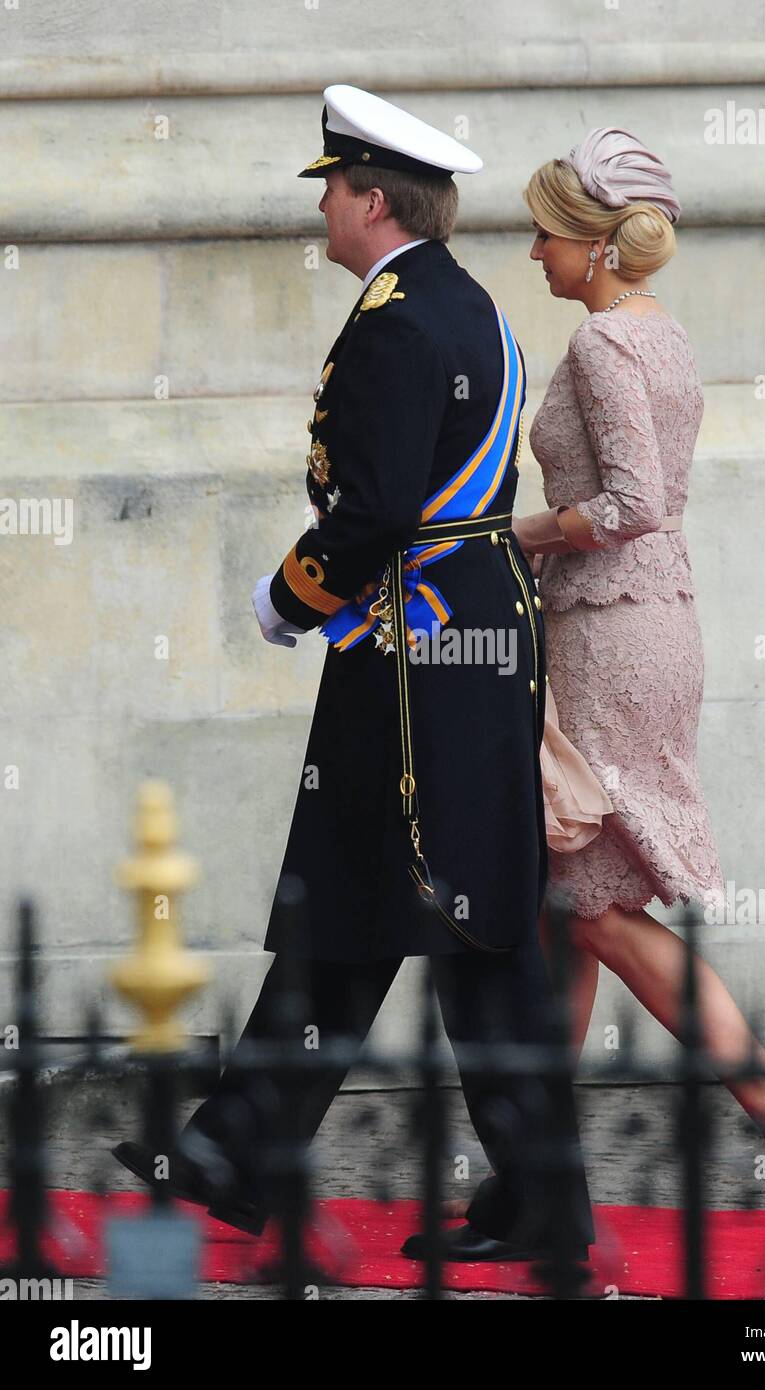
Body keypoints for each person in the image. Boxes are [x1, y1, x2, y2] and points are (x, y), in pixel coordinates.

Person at [113, 85, 594, 1263]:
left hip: (409, 647)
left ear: (373, 200)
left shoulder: (394, 320)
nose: (322, 205)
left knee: (433, 911)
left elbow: (372, 507)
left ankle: (518, 1195)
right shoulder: (466, 304)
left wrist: (284, 597)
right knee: (399, 906)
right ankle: (243, 1147)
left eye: (331, 185)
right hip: (462, 634)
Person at [513, 128, 765, 1225]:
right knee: (567, 901)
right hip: (639, 624)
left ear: (592, 244)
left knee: (592, 911)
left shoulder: (606, 348)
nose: (531, 252)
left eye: (544, 232)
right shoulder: (660, 337)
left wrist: (512, 534)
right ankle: (538, 1168)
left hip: (613, 634)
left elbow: (630, 502)